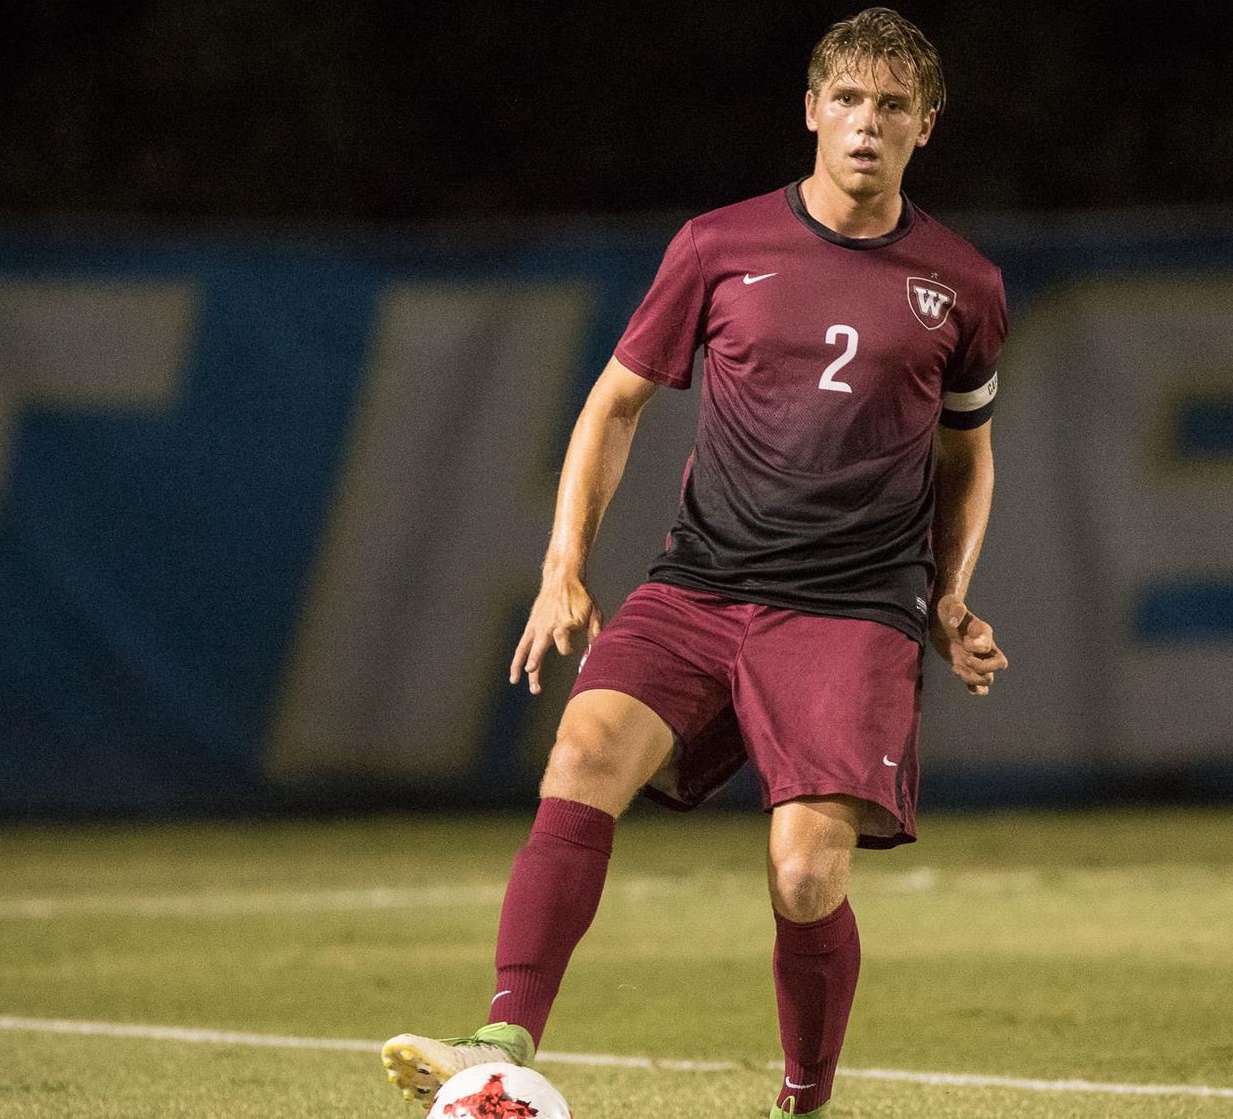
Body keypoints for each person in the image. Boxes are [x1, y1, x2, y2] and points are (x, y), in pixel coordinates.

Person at [381, 8, 1008, 1117]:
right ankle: (503, 1035)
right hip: (700, 582)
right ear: (810, 111)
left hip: (851, 606)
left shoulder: (961, 285)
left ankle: (803, 1097)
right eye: (848, 101)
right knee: (580, 749)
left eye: (892, 106)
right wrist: (562, 565)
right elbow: (613, 405)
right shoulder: (717, 246)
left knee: (807, 875)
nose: (867, 125)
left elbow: (967, 455)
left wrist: (948, 595)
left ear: (925, 127)